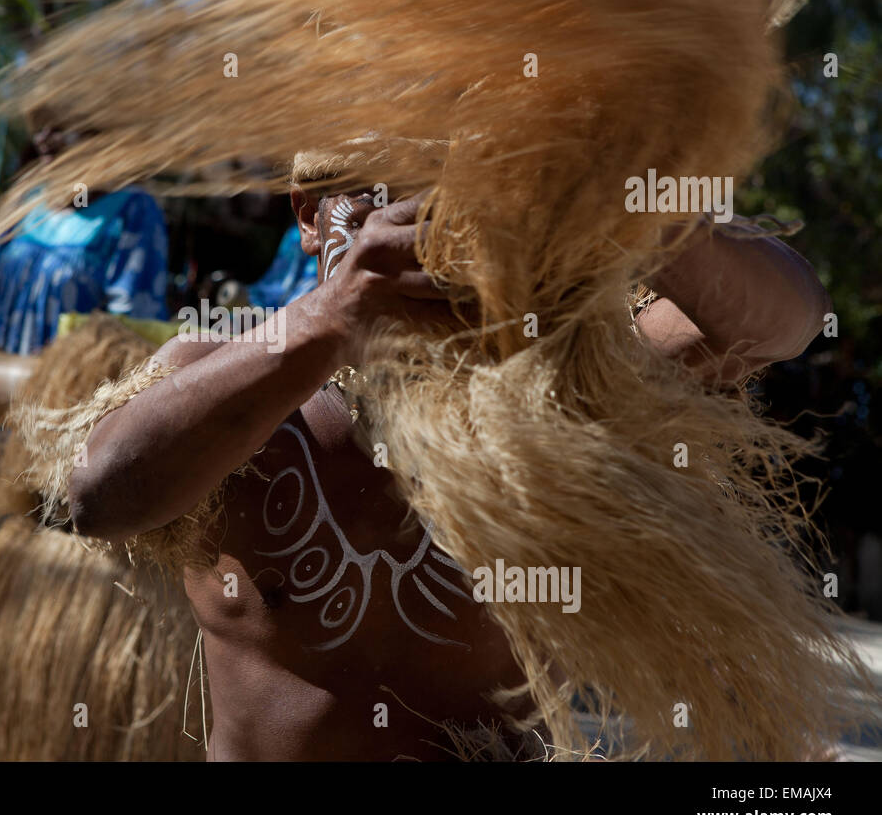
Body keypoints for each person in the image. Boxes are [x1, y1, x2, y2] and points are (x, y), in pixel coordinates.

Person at [63, 160, 831, 760]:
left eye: (458, 208)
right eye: (379, 204)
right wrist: (336, 317)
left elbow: (785, 320)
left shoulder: (573, 401)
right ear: (308, 213)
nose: (423, 239)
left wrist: (622, 198)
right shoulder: (227, 375)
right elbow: (97, 495)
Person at [0, 124, 170, 355]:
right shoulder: (24, 201)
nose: (44, 138)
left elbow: (129, 330)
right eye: (41, 126)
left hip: (68, 385)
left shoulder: (132, 210)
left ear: (96, 135)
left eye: (59, 127)